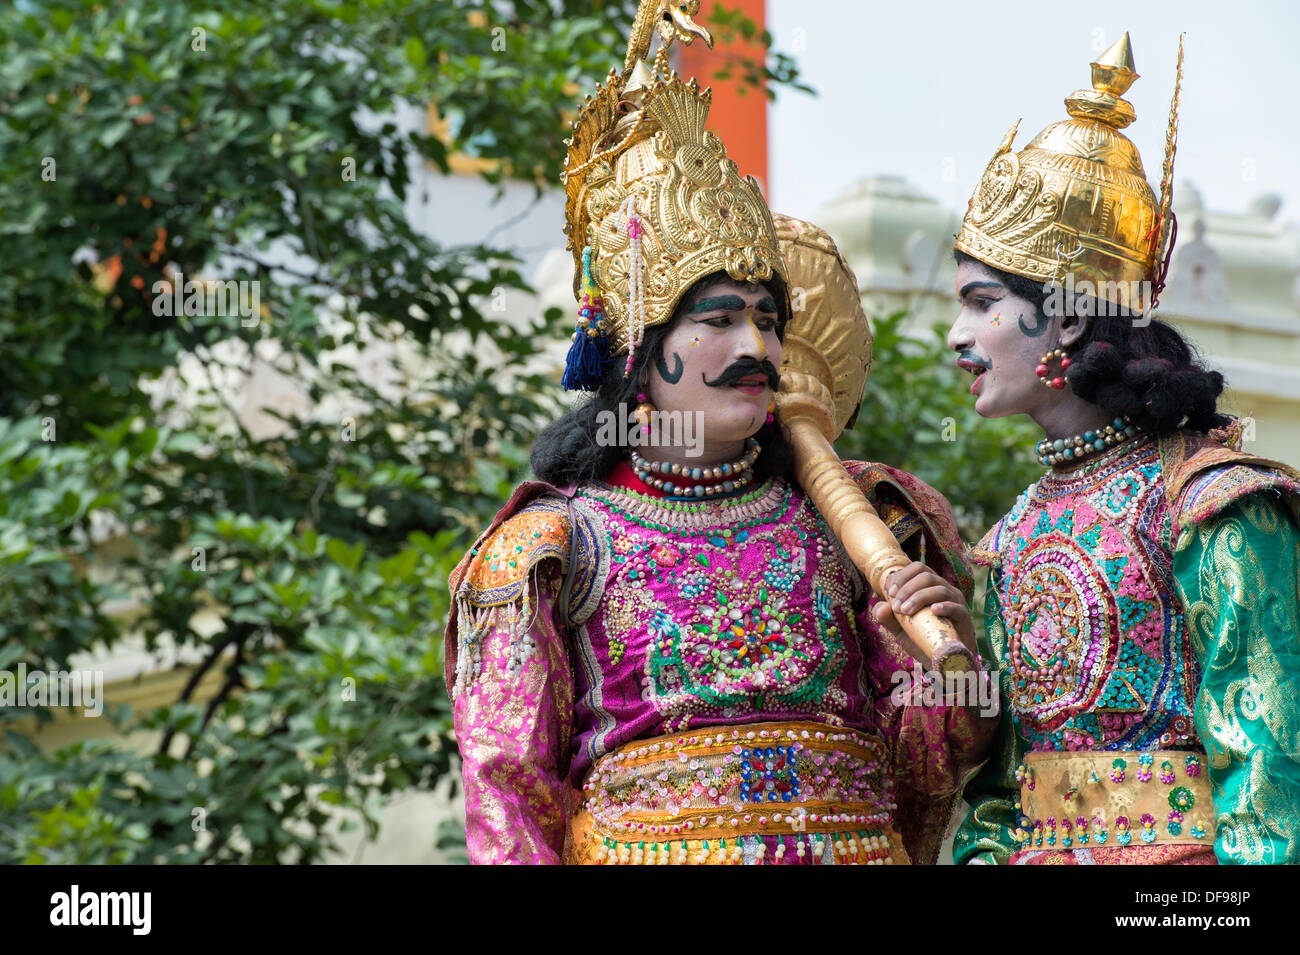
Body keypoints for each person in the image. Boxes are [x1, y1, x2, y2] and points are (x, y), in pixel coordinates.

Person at [443, 2, 996, 865]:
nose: (758, 348)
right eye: (719, 320)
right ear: (638, 349)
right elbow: (510, 803)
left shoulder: (854, 523)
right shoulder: (550, 550)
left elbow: (928, 770)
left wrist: (949, 666)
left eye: (770, 320)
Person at [947, 33, 1300, 865]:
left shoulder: (1211, 505)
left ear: (1065, 319)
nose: (958, 336)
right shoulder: (1011, 539)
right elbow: (999, 796)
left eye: (980, 301)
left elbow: (1272, 770)